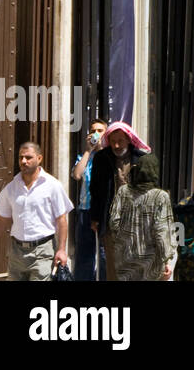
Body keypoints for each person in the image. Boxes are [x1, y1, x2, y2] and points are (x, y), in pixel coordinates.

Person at [0, 141, 71, 280]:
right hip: (17, 252)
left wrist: (61, 250)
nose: (23, 161)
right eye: (20, 157)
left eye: (28, 157)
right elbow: (1, 221)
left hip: (43, 252)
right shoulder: (11, 188)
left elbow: (62, 219)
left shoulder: (53, 185)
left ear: (39, 158)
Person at [88, 121, 150, 281]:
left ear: (129, 140)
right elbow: (95, 190)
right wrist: (95, 217)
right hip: (111, 222)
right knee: (114, 267)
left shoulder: (142, 159)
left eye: (120, 141)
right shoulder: (102, 158)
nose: (116, 145)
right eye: (113, 141)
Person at [109, 153, 176, 281]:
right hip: (151, 263)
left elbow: (114, 222)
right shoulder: (160, 197)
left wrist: (123, 243)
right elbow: (161, 231)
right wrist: (166, 260)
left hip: (125, 259)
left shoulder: (123, 192)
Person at [70, 118, 108, 281]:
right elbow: (77, 175)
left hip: (103, 211)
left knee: (104, 253)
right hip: (86, 210)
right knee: (84, 252)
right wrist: (88, 151)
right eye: (93, 131)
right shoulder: (85, 157)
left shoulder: (109, 156)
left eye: (100, 131)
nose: (96, 134)